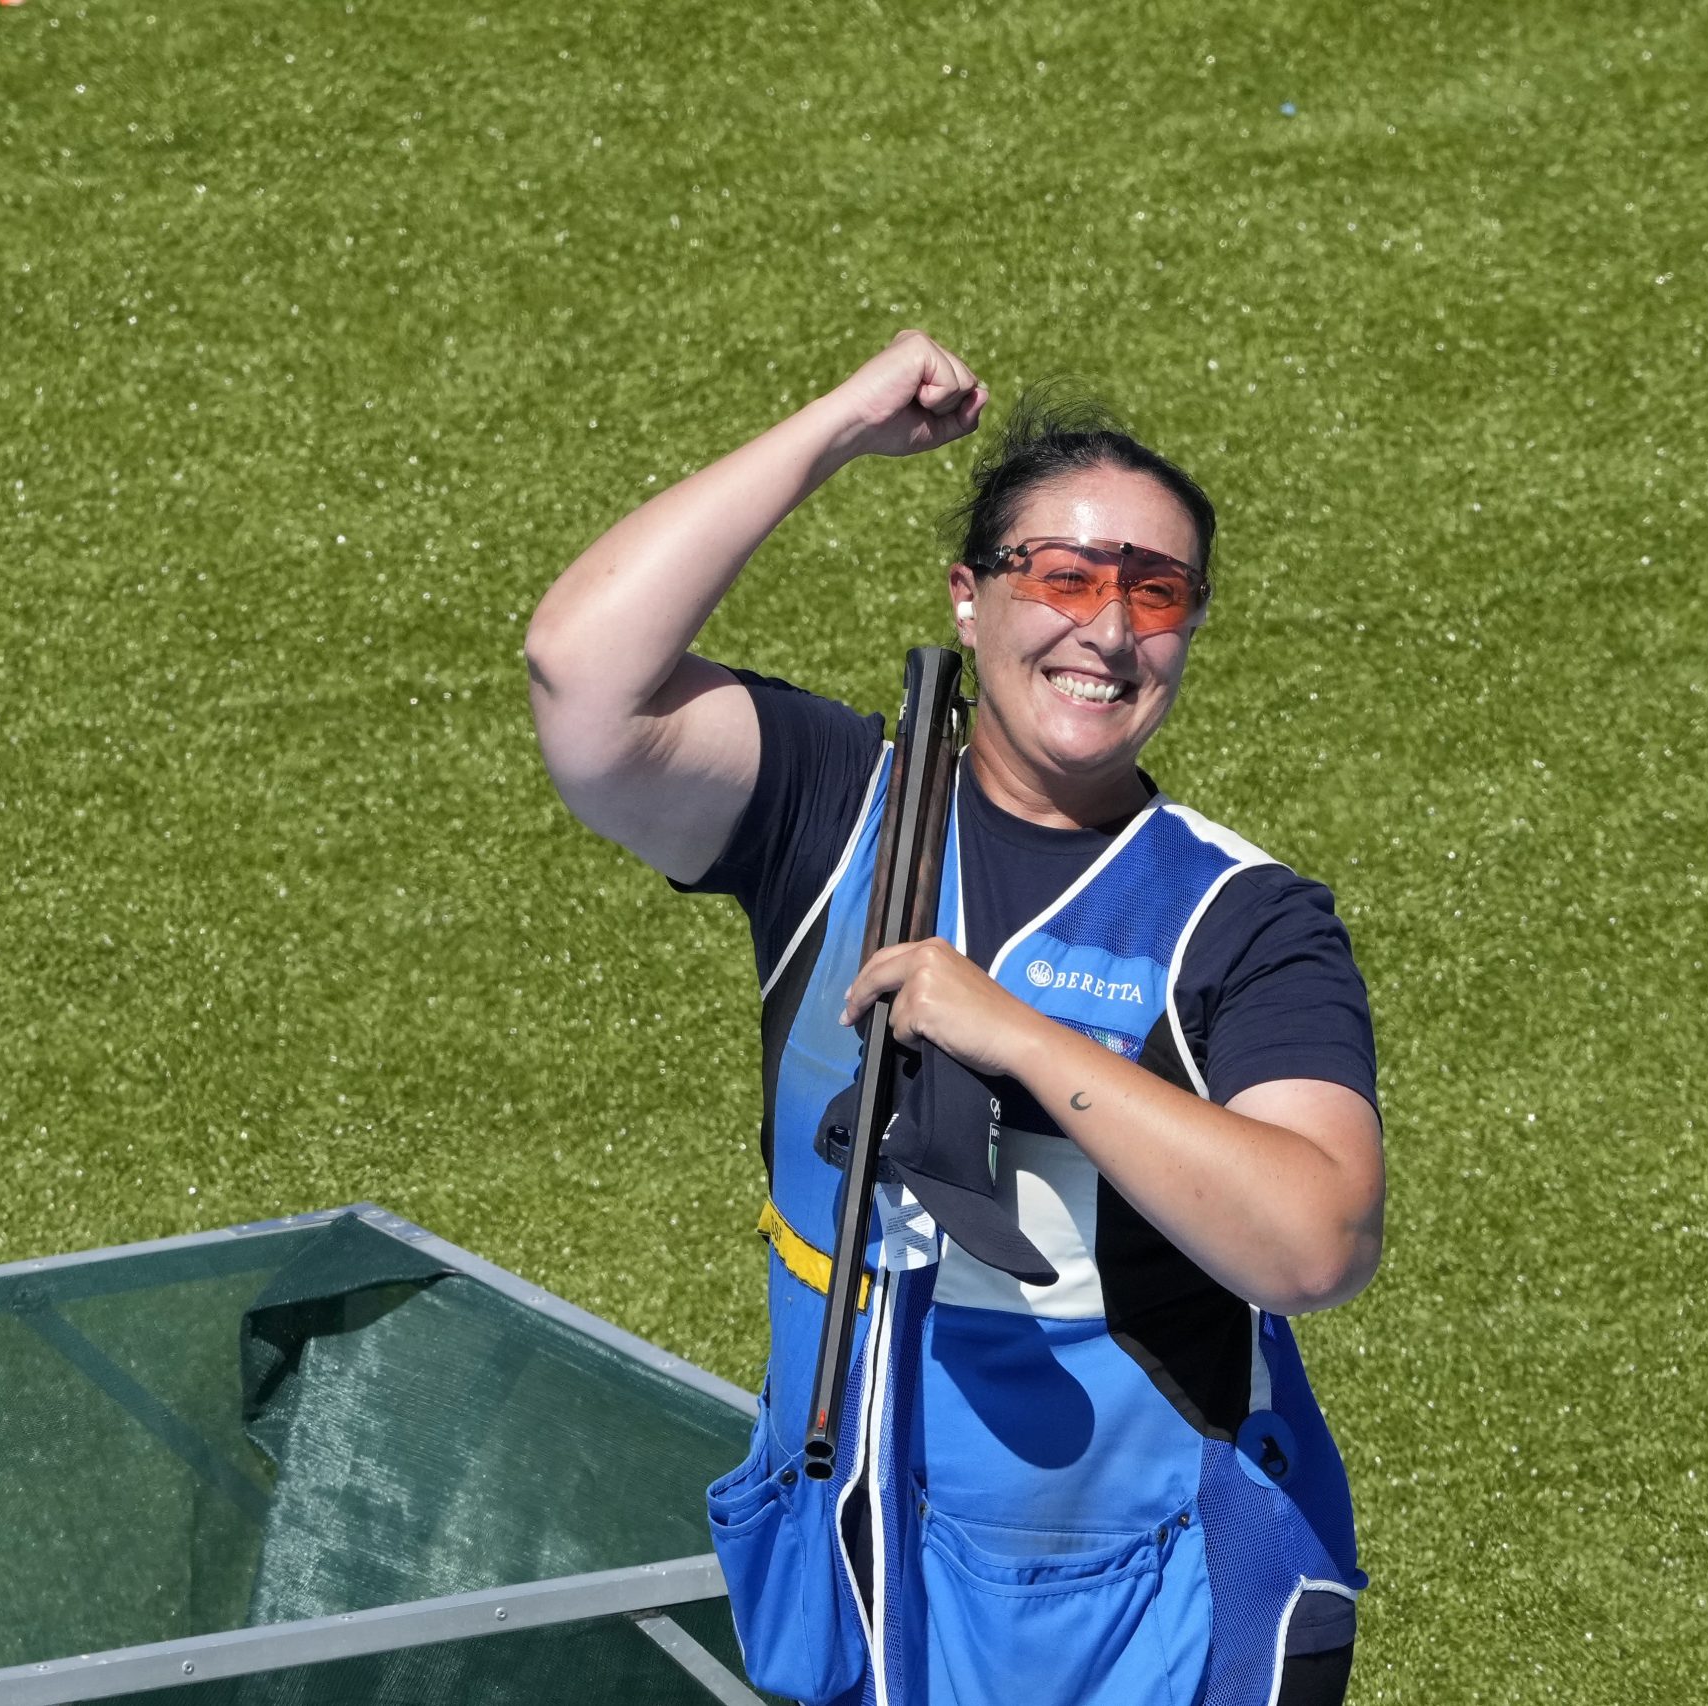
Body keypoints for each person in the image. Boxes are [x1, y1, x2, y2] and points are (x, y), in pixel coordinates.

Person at [524, 330, 1385, 1706]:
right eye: (1060, 575)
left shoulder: (1244, 917)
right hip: (869, 1567)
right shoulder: (830, 804)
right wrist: (839, 426)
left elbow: (1317, 1238)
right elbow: (580, 674)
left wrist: (1020, 1036)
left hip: (1160, 1609)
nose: (1106, 629)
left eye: (1155, 592)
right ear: (969, 599)